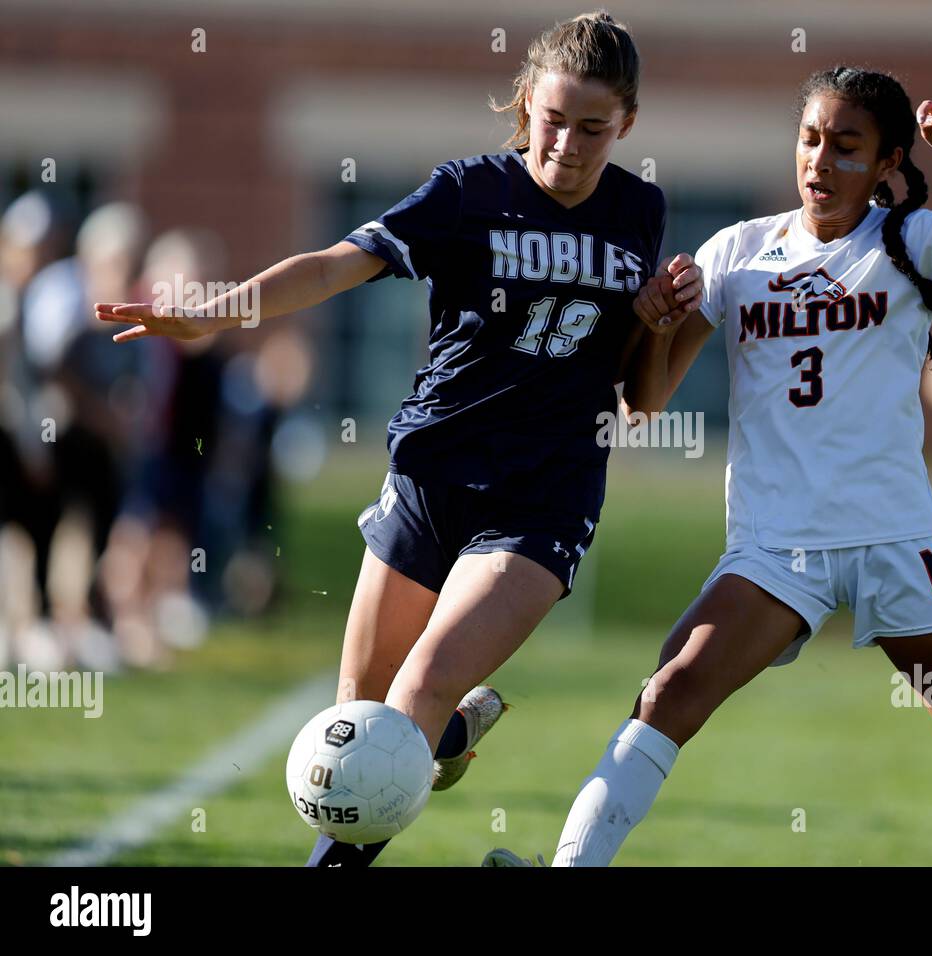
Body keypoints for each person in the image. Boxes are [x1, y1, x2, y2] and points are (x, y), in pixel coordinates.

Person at [487, 66, 932, 868]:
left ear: (886, 164)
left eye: (847, 147)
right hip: (778, 552)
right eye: (810, 140)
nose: (821, 162)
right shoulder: (736, 252)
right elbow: (644, 402)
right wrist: (657, 325)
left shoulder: (905, 241)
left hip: (896, 547)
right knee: (668, 692)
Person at [96, 10, 702, 867]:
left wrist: (655, 327)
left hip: (544, 493)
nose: (566, 143)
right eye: (553, 118)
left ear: (627, 125)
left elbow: (639, 394)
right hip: (431, 474)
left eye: (593, 128)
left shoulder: (640, 208)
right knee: (362, 709)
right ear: (526, 101)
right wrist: (219, 309)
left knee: (409, 692)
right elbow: (339, 263)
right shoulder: (467, 191)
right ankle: (450, 732)